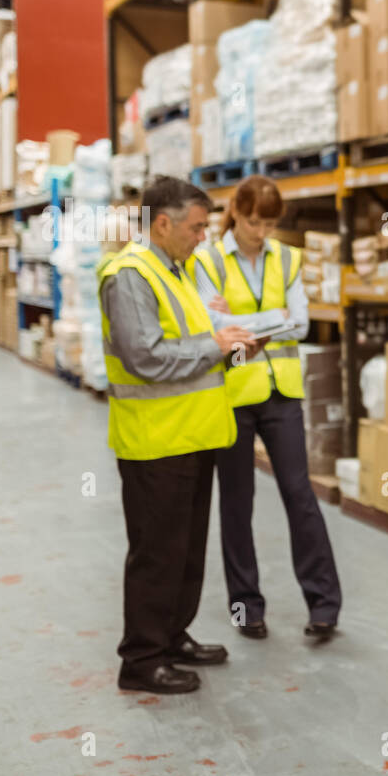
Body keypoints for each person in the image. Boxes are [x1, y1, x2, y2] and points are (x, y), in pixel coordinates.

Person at [100, 176, 260, 695]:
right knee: (157, 553)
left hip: (192, 436)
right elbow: (144, 357)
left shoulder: (179, 270)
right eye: (195, 228)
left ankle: (172, 635)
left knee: (187, 551)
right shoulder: (130, 275)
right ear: (162, 223)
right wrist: (215, 346)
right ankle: (142, 659)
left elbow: (193, 346)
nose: (202, 238)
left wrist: (232, 347)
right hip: (155, 443)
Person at [190, 175, 342, 642]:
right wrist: (271, 319)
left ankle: (324, 607)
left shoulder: (287, 258)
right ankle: (246, 609)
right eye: (254, 221)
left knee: (300, 495)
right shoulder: (209, 260)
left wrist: (245, 322)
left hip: (282, 393)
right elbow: (210, 324)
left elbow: (300, 324)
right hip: (234, 394)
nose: (261, 232)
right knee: (237, 503)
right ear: (236, 211)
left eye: (270, 223)